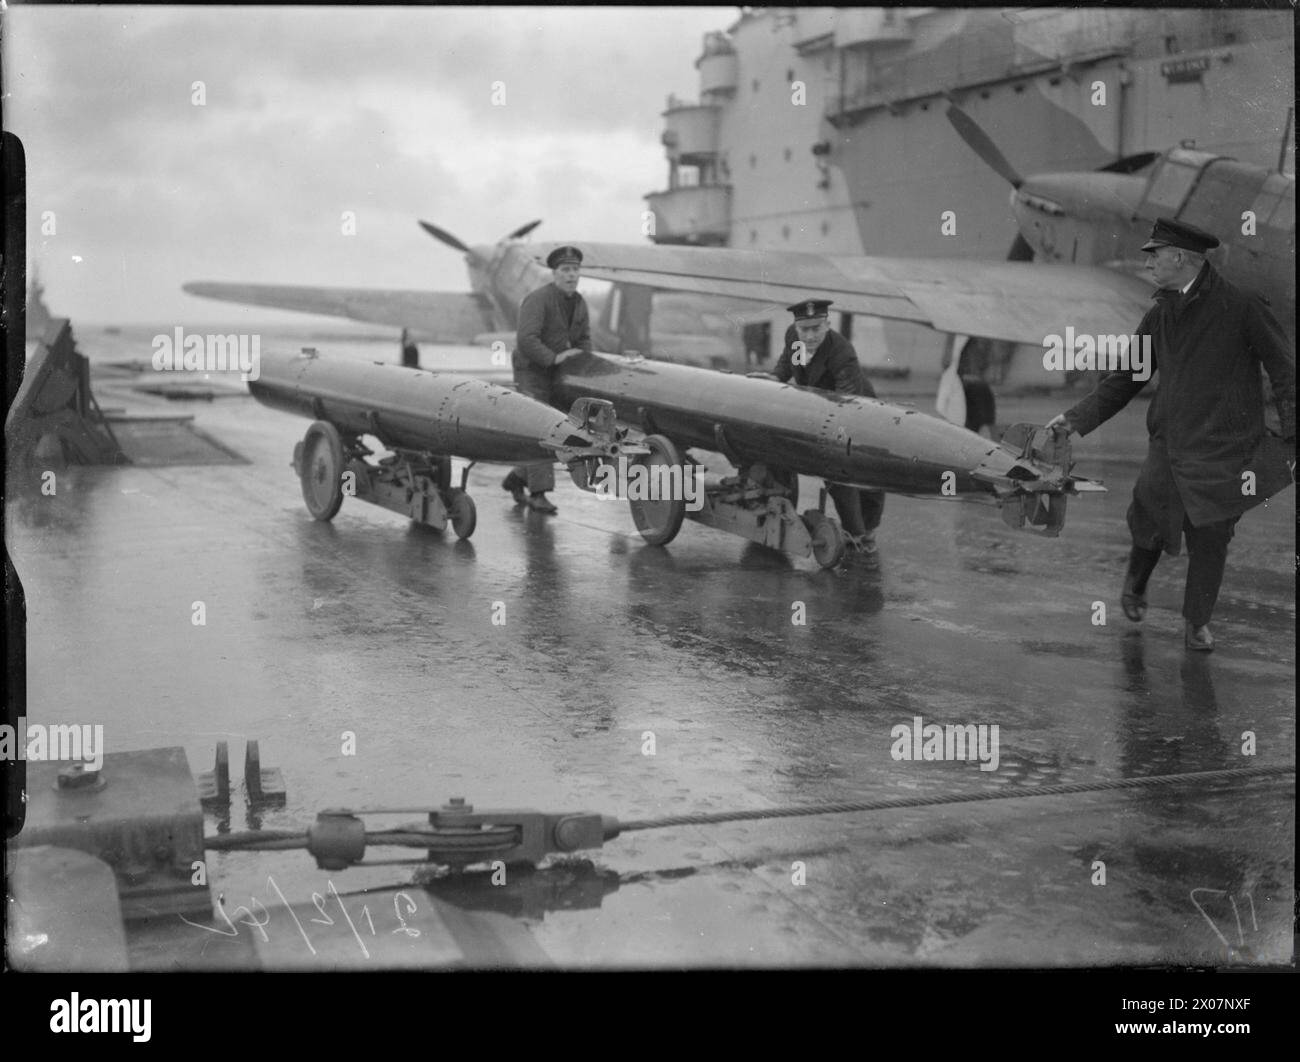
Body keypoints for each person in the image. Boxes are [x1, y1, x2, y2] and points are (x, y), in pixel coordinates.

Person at [1046, 217, 1294, 651]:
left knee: (1213, 535)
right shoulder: (1159, 315)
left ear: (1181, 258)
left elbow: (1286, 373)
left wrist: (1294, 438)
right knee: (1149, 517)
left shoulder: (1243, 306)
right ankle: (1135, 582)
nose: (1150, 264)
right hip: (1170, 445)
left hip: (1226, 450)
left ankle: (1196, 622)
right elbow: (1127, 379)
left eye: (1155, 255)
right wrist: (1075, 419)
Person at [751, 299, 886, 564]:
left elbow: (848, 403)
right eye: (805, 330)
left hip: (860, 411)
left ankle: (862, 535)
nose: (810, 336)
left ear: (827, 324)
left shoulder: (842, 353)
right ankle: (857, 532)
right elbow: (790, 363)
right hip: (821, 408)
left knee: (852, 470)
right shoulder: (795, 336)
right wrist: (775, 378)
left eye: (817, 328)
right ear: (796, 328)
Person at [502, 245, 592, 514]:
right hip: (531, 370)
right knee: (544, 428)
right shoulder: (537, 299)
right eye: (565, 270)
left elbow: (584, 339)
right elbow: (526, 339)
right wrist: (554, 358)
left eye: (575, 270)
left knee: (555, 426)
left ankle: (516, 479)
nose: (571, 275)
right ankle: (538, 494)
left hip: (556, 372)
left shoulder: (579, 303)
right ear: (554, 273)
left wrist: (582, 359)